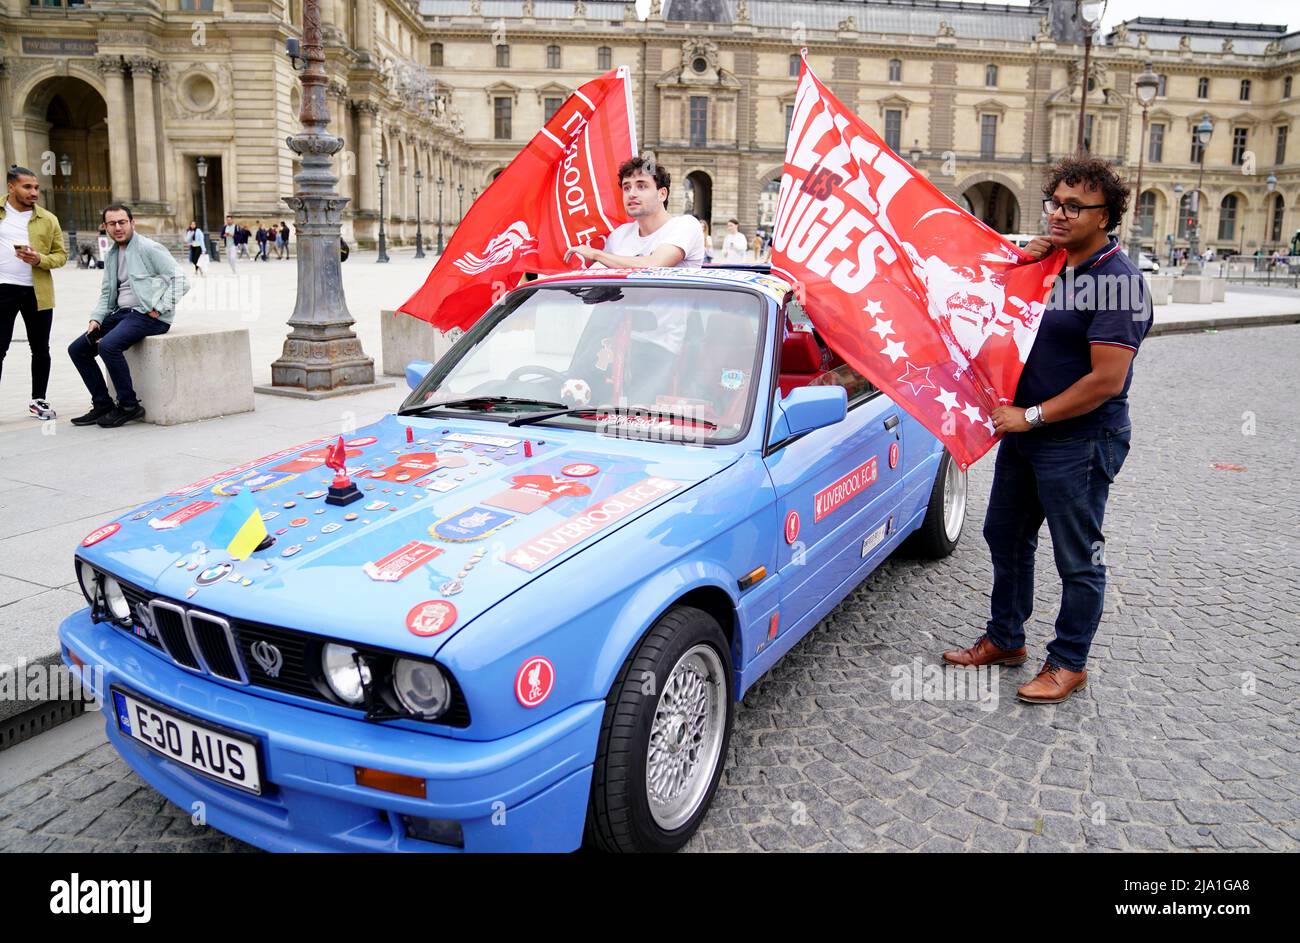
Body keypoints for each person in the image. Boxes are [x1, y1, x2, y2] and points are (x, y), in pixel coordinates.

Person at [943, 156, 1151, 705]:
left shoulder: (1118, 284)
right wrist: (1019, 261)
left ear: (1106, 217)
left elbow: (1106, 381)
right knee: (1004, 534)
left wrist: (1030, 416)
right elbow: (986, 305)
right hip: (1026, 431)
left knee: (1077, 556)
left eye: (1074, 207)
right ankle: (1007, 639)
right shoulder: (1051, 262)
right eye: (1055, 202)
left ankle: (1068, 661)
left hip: (1081, 439)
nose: (1059, 214)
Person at [563, 156, 706, 404]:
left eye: (641, 186)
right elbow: (594, 281)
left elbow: (653, 265)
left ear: (662, 194)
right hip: (617, 342)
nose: (632, 193)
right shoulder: (620, 236)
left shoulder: (685, 226)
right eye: (627, 187)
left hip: (665, 348)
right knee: (583, 408)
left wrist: (597, 254)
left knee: (640, 420)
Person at [67, 204, 190, 427]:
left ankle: (129, 405)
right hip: (122, 315)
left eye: (122, 222)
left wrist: (159, 308)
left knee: (108, 346)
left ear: (132, 223)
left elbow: (181, 280)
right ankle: (103, 405)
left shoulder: (149, 248)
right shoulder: (113, 253)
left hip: (149, 316)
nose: (118, 227)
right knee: (78, 350)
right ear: (104, 227)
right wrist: (96, 318)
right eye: (112, 224)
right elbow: (107, 292)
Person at [0, 165, 68, 421]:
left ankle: (38, 400)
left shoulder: (48, 219)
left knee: (40, 348)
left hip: (37, 292)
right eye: (27, 187)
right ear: (11, 187)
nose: (34, 192)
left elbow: (61, 256)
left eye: (36, 187)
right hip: (3, 289)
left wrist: (39, 259)